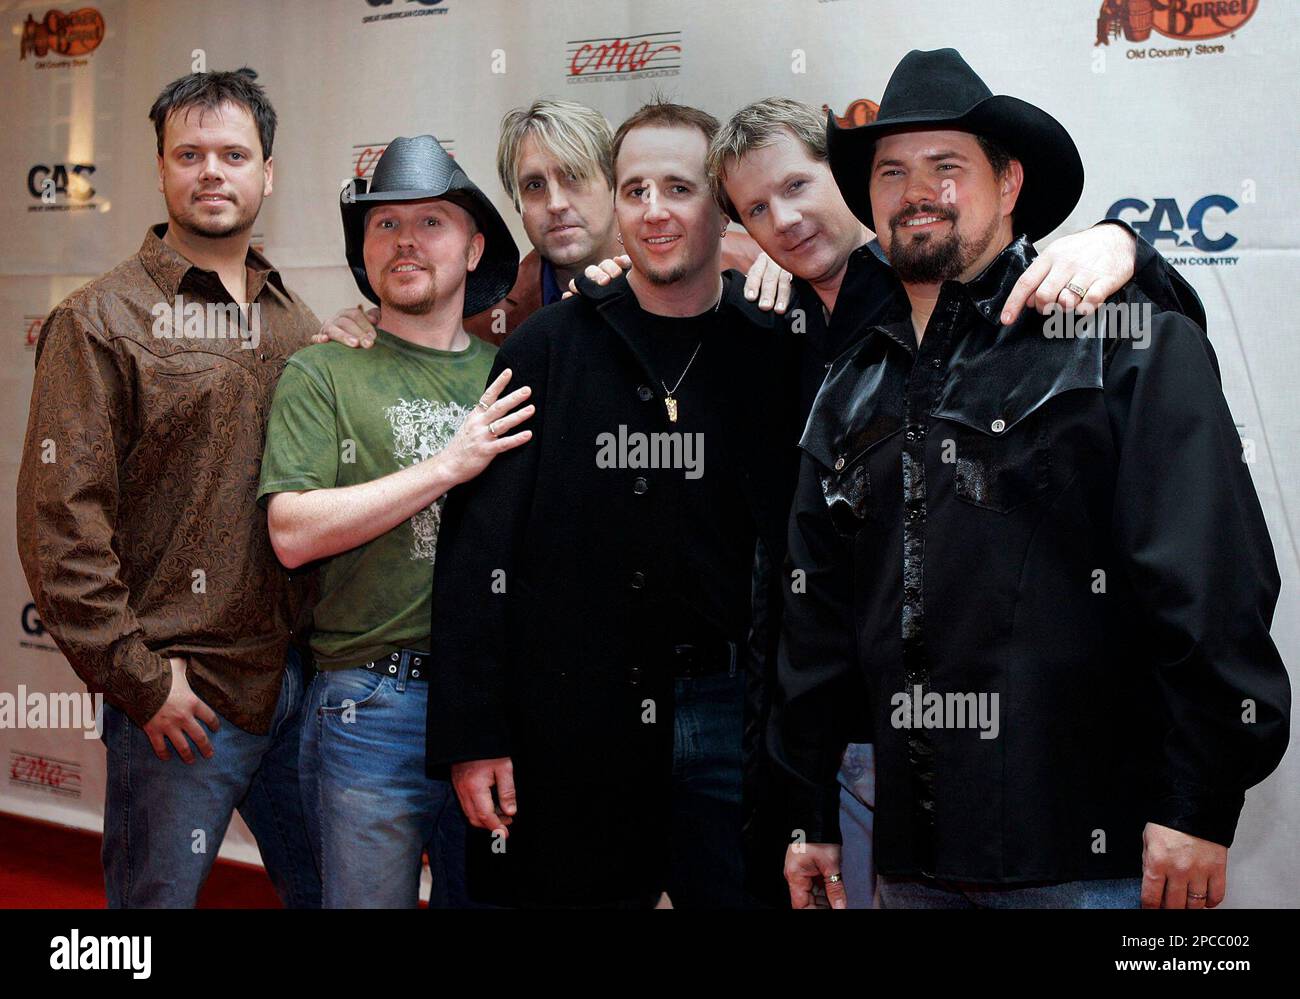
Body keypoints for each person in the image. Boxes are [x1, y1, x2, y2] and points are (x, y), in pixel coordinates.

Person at [772, 48, 1290, 910]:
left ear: (1009, 183)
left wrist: (1199, 799)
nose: (916, 190)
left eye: (948, 166)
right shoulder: (849, 383)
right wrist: (805, 811)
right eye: (892, 171)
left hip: (1097, 860)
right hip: (913, 863)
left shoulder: (1123, 338)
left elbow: (1213, 581)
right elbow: (812, 623)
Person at [425, 100, 799, 908]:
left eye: (679, 187)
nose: (655, 211)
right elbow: (476, 553)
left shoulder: (773, 348)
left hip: (734, 716)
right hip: (572, 722)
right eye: (634, 190)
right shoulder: (545, 349)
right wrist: (475, 733)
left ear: (722, 204)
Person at [16, 68, 322, 908]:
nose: (212, 172)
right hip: (182, 704)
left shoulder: (295, 319)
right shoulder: (99, 320)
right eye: (189, 154)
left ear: (270, 173)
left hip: (296, 687)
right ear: (160, 169)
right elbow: (58, 523)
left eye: (233, 153)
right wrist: (142, 680)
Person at [257, 135, 532, 908]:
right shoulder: (323, 369)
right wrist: (447, 465)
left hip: (492, 709)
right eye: (384, 225)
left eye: (431, 222)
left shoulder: (514, 375)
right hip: (369, 705)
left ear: (475, 246)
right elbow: (292, 532)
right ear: (364, 250)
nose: (406, 240)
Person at [319, 98, 766, 350]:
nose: (555, 204)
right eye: (534, 186)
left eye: (573, 178)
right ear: (516, 204)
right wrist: (365, 327)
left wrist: (786, 269)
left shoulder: (748, 267)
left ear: (615, 186)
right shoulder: (484, 319)